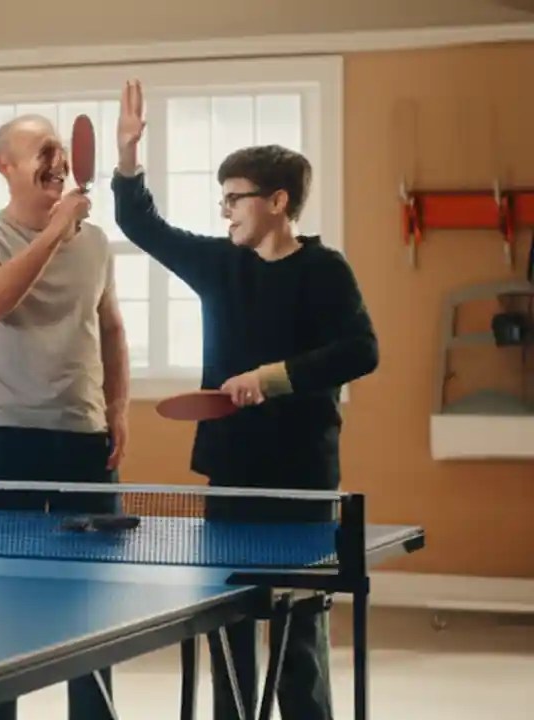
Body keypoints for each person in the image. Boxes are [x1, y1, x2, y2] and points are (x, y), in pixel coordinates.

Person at [109, 79, 379, 720]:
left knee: (299, 638)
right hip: (230, 474)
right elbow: (140, 223)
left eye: (235, 198)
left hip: (303, 480)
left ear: (278, 202)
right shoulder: (218, 263)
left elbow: (361, 351)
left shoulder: (325, 270)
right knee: (229, 629)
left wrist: (273, 376)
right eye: (222, 199)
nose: (225, 210)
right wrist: (127, 157)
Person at [0, 114, 130, 720]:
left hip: (84, 439)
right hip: (5, 440)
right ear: (4, 166)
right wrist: (54, 232)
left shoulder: (95, 243)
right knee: (1, 600)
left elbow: (110, 326)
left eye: (61, 150)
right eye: (41, 151)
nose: (57, 161)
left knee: (93, 604)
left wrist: (118, 407)